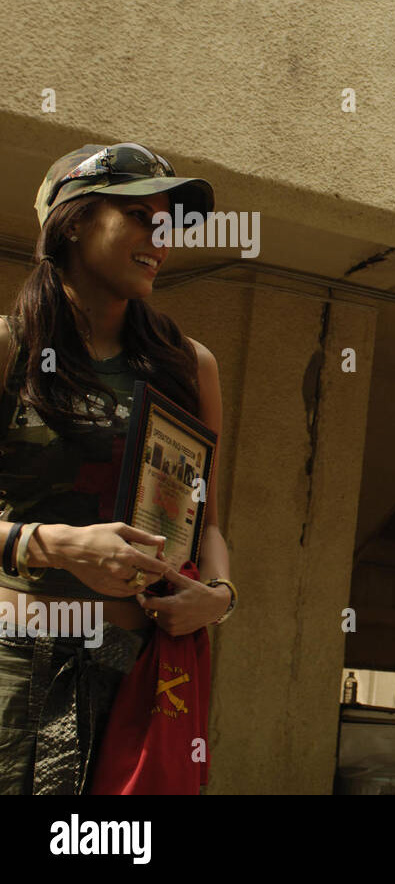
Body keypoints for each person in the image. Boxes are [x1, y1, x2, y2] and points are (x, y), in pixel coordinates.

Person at [0, 143, 236, 794]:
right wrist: (59, 544)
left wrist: (216, 598)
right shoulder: (10, 348)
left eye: (167, 223)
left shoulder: (190, 367)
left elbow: (209, 524)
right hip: (15, 671)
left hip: (136, 677)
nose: (158, 238)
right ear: (74, 221)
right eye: (138, 216)